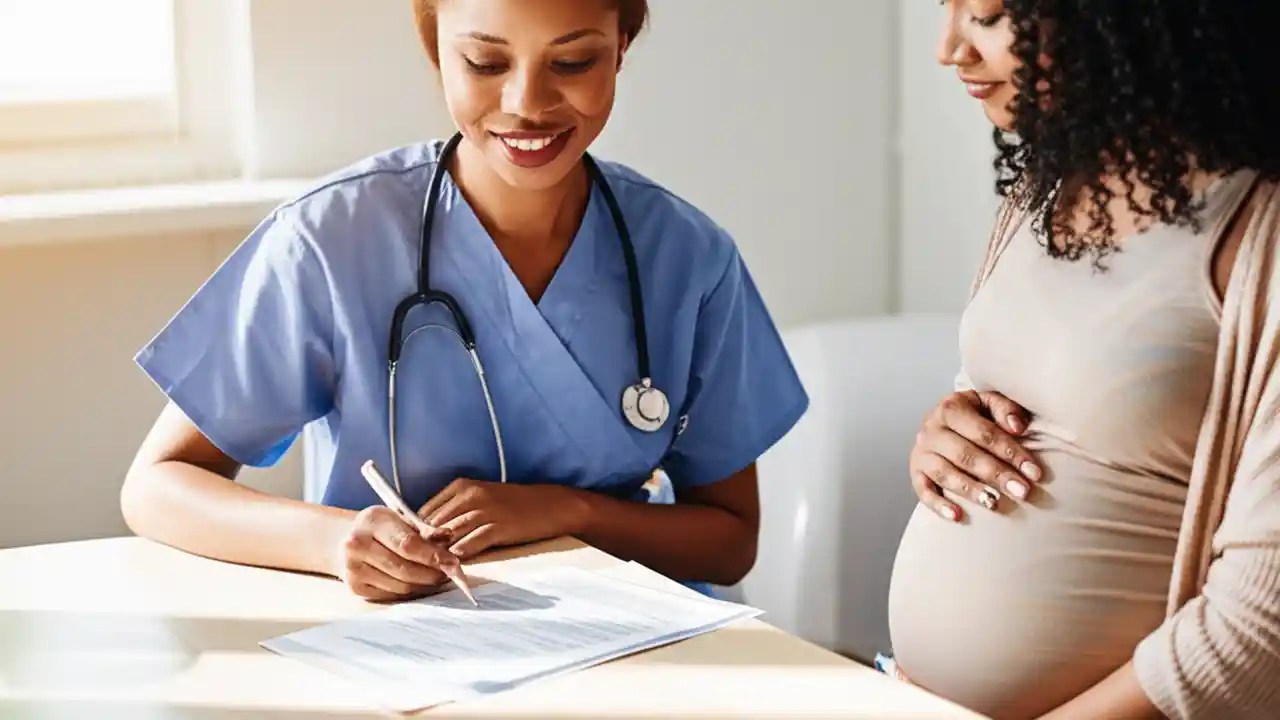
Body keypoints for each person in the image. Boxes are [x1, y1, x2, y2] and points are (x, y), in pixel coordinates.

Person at [120, 0, 806, 603]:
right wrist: (331, 541)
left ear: (620, 49)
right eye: (485, 62)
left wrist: (568, 512)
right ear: (436, 52)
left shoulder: (688, 257)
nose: (527, 102)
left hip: (636, 659)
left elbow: (729, 543)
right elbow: (158, 486)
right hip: (399, 654)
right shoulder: (332, 240)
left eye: (573, 61)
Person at [885, 1, 1280, 718]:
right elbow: (1030, 414)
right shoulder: (1042, 193)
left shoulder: (1259, 236)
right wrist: (945, 441)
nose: (949, 50)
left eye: (987, 16)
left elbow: (1259, 627)